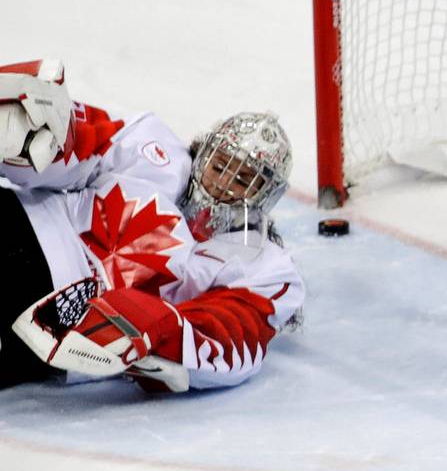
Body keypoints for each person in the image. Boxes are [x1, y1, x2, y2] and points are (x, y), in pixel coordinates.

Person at [0, 59, 304, 393]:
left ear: (267, 195)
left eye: (245, 180)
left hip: (61, 318)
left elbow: (235, 329)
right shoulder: (154, 149)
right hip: (24, 226)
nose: (225, 185)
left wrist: (161, 328)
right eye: (220, 166)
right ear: (205, 153)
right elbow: (82, 143)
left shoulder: (264, 265)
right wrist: (34, 139)